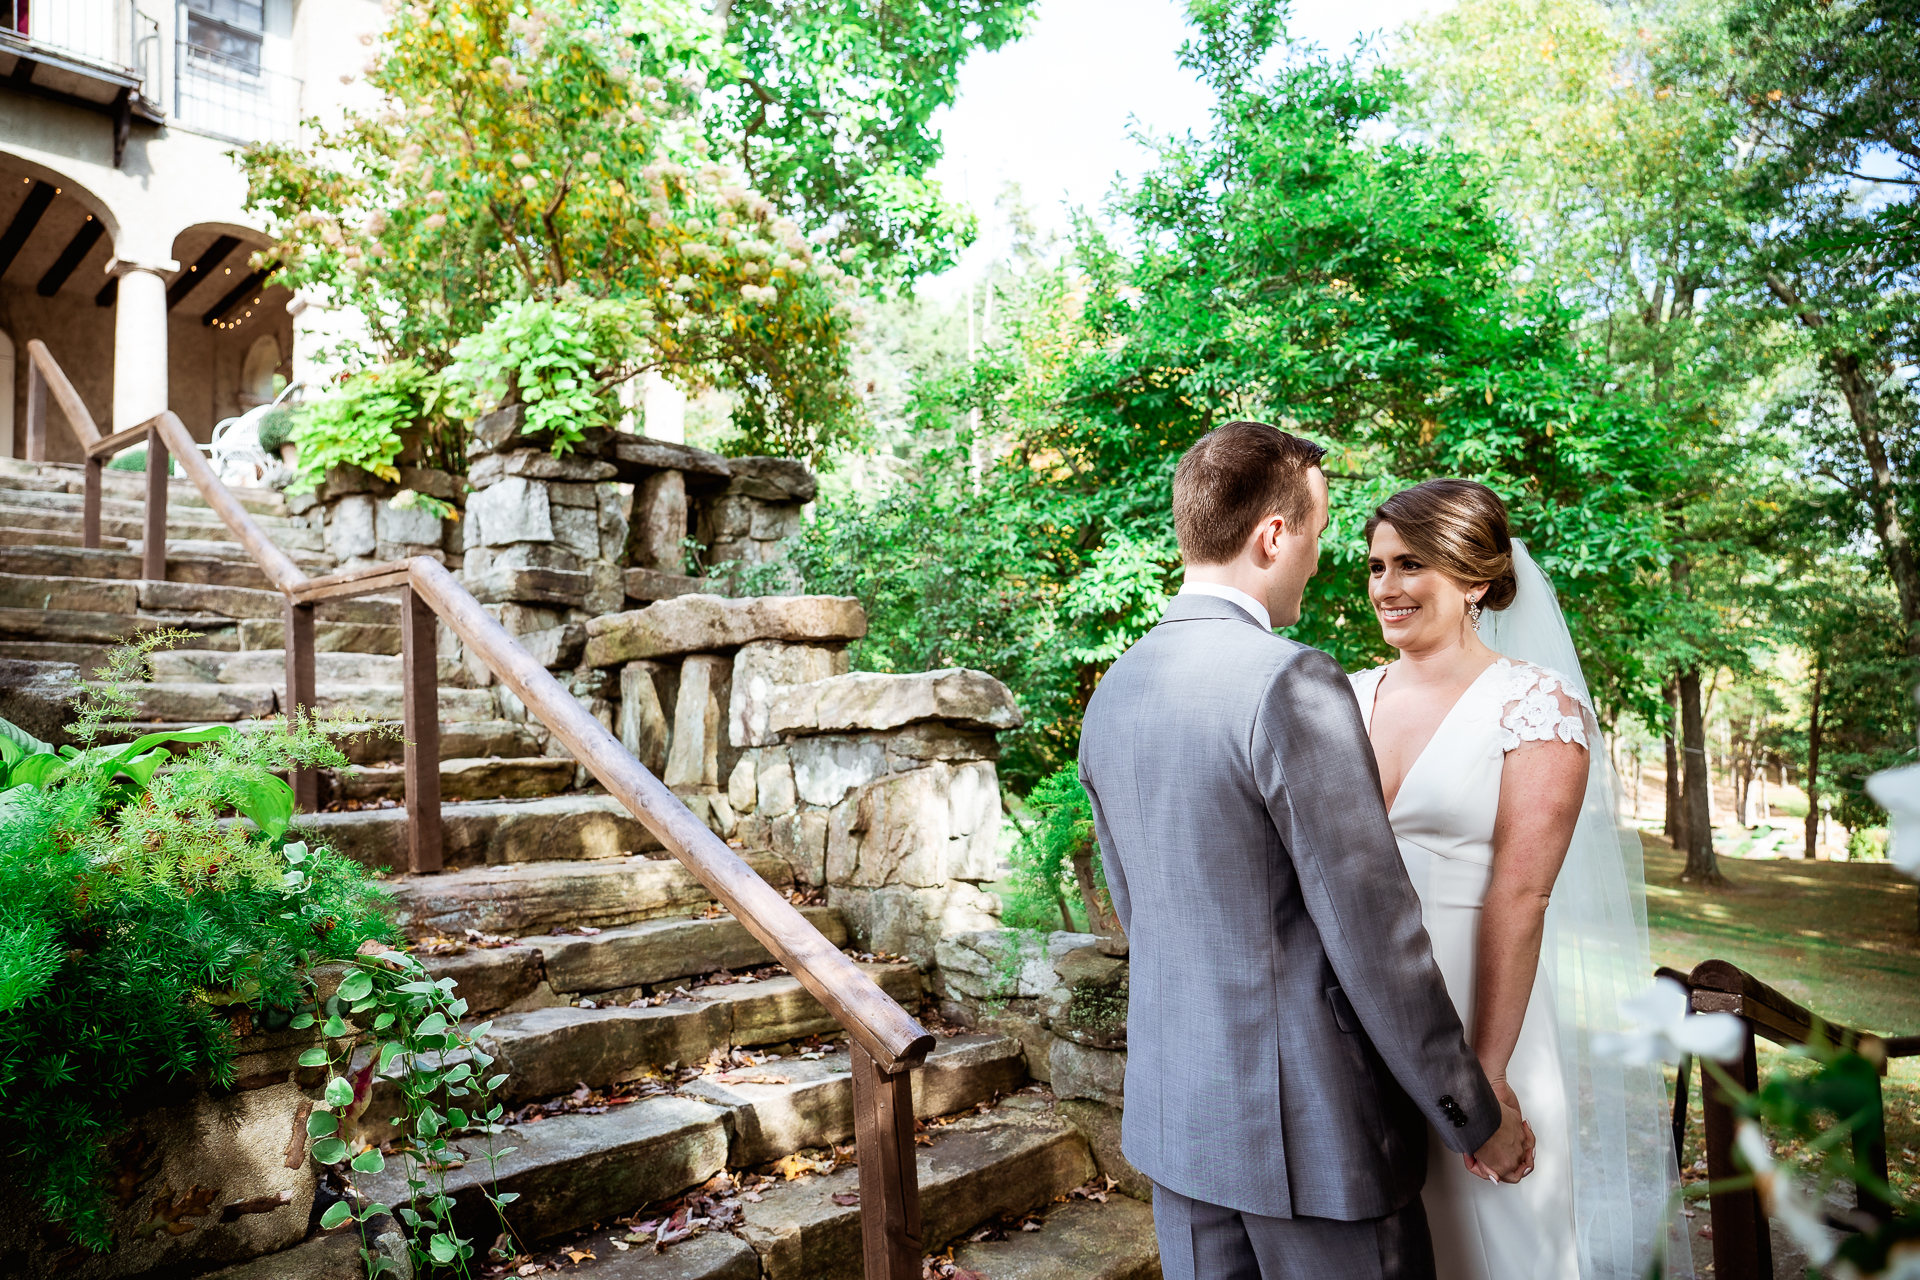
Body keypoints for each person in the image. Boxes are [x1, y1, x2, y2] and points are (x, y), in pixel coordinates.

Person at [1078, 422, 1532, 1280]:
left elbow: (1145, 916)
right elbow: (1376, 934)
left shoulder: (1116, 689)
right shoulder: (1291, 680)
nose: (1322, 562)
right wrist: (1473, 1112)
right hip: (1314, 1140)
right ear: (1273, 535)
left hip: (1181, 1128)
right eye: (1319, 536)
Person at [1349, 479, 1687, 1280]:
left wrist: (1486, 1077)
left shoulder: (1533, 704)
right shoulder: (1342, 694)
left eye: (1411, 566)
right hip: (1365, 1015)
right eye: (1375, 567)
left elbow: (1522, 895)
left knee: (1496, 1242)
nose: (1387, 589)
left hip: (1480, 1004)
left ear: (1473, 578)